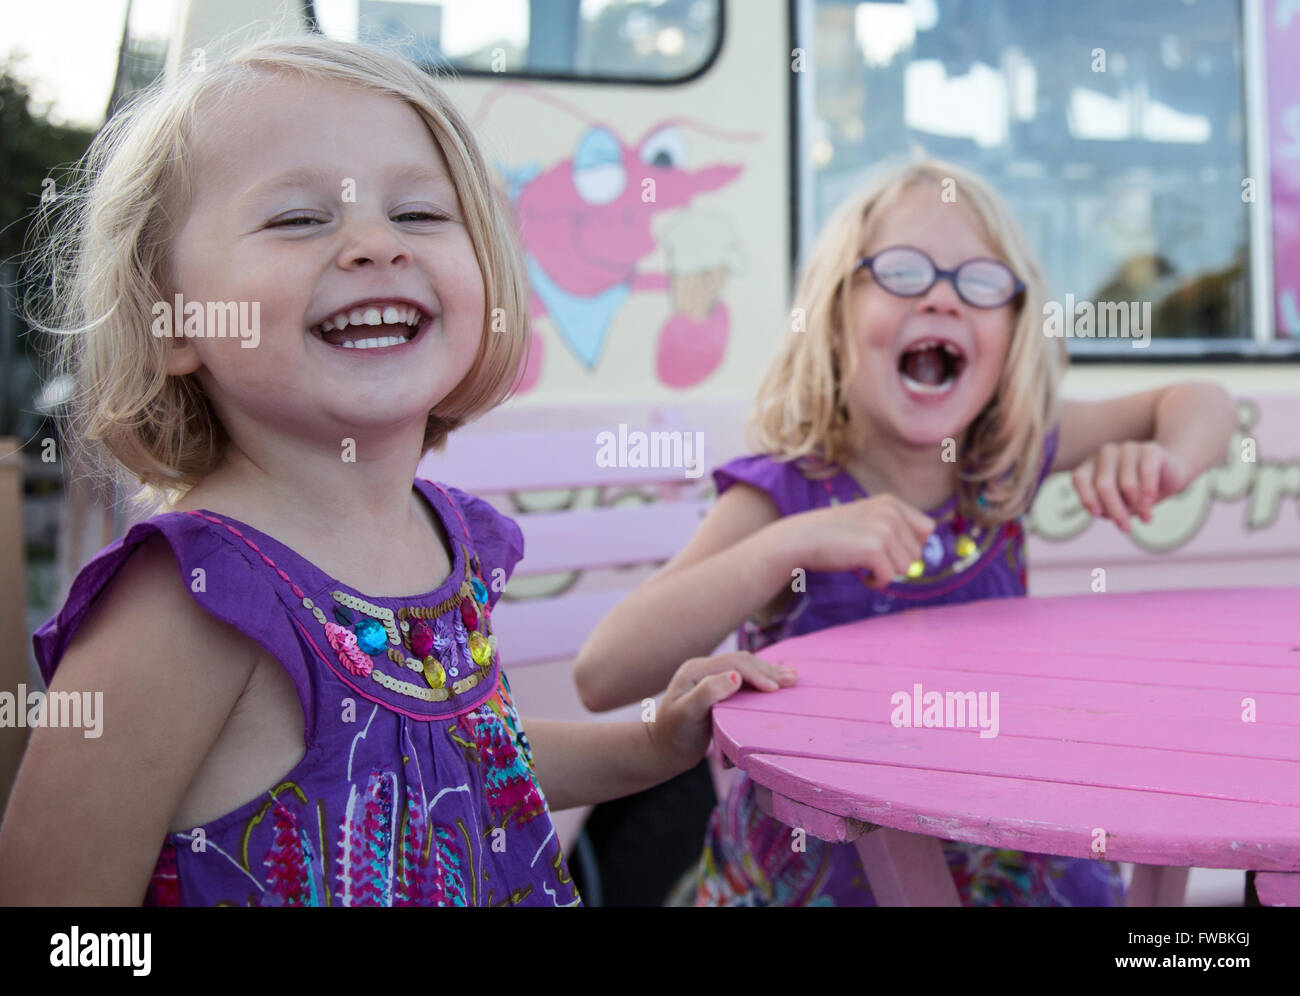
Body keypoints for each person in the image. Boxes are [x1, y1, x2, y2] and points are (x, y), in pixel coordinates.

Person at [0, 34, 791, 907]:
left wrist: (651, 745)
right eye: (299, 219)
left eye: (418, 214)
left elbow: (470, 759)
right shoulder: (189, 601)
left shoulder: (442, 534)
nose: (374, 244)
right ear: (171, 321)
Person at [574, 159, 1237, 906]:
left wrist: (1166, 458)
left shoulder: (1003, 458)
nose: (943, 298)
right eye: (902, 271)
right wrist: (787, 546)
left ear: (1014, 332)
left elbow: (1202, 397)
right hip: (821, 873)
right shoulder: (785, 492)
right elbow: (603, 673)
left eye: (980, 282)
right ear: (834, 315)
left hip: (1004, 854)